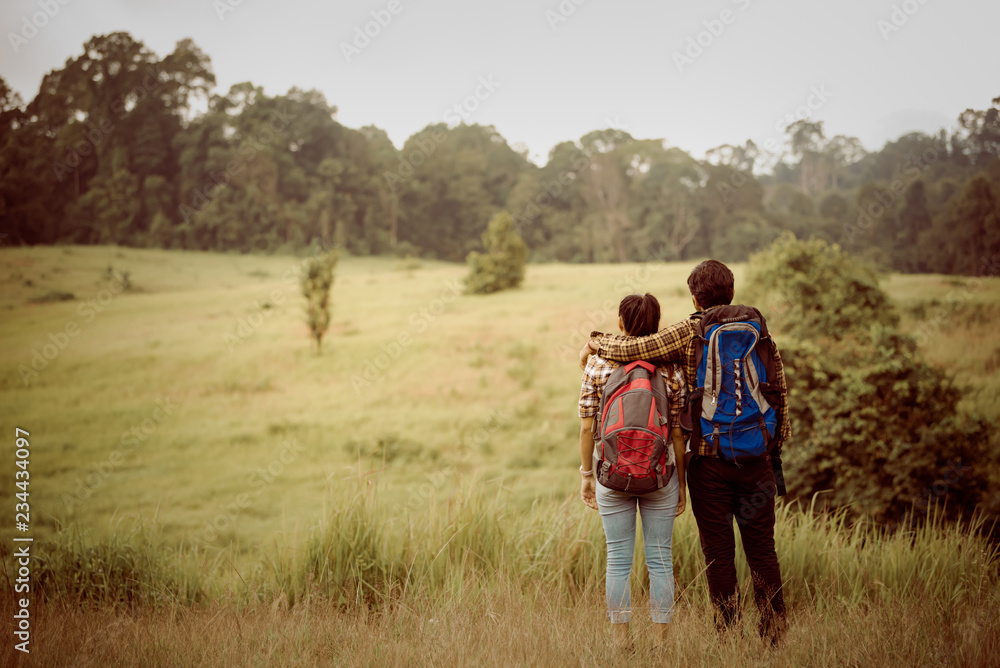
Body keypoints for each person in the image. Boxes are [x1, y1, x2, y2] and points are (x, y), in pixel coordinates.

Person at [580, 260, 789, 645]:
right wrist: (772, 448)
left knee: (719, 553)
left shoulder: (691, 330)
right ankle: (774, 634)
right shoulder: (760, 331)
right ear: (731, 292)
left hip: (709, 462)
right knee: (762, 549)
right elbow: (779, 391)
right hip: (758, 460)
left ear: (695, 298)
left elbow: (638, 345)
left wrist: (596, 341)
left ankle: (727, 637)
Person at [578, 293, 687, 650]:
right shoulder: (671, 368)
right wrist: (682, 484)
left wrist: (587, 475)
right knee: (660, 560)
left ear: (621, 323)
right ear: (657, 324)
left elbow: (586, 427)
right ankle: (662, 645)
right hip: (660, 475)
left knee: (618, 560)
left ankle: (620, 642)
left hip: (611, 473)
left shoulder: (599, 364)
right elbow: (677, 432)